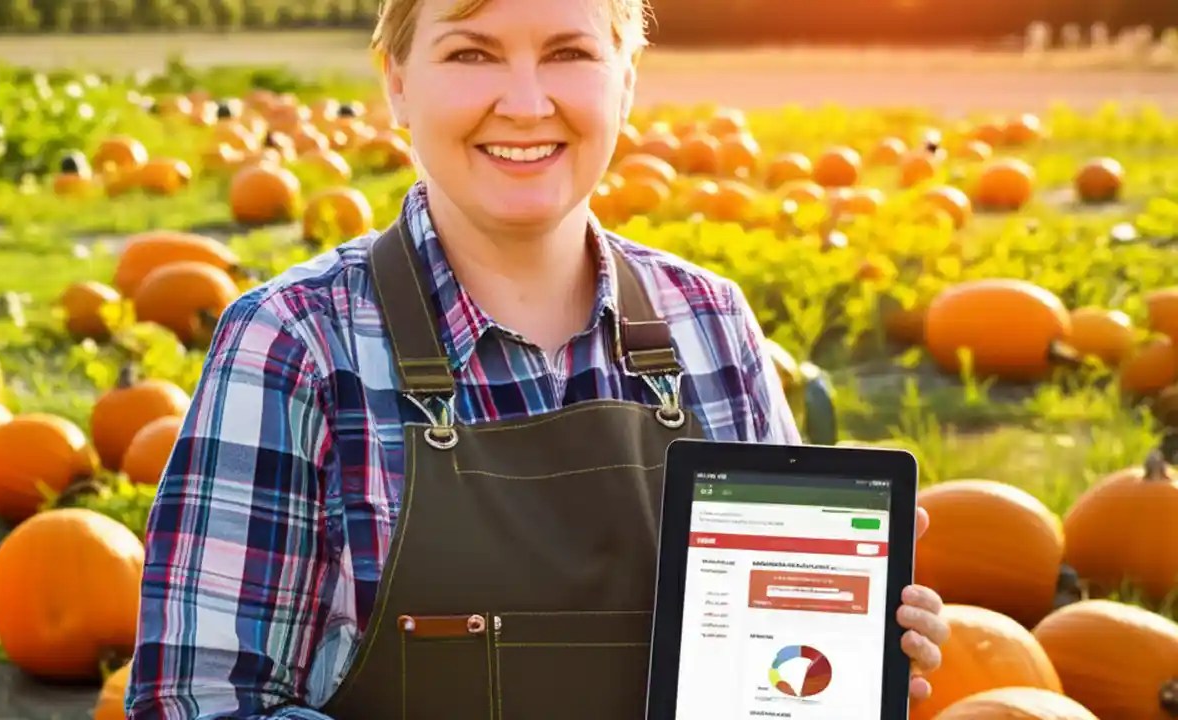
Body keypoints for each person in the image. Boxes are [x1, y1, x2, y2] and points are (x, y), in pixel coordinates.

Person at [124, 0, 949, 717]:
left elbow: (757, 677)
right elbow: (200, 702)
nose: (525, 103)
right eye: (471, 53)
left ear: (626, 77)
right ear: (398, 82)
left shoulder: (710, 323)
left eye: (570, 52)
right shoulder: (294, 343)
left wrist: (837, 669)